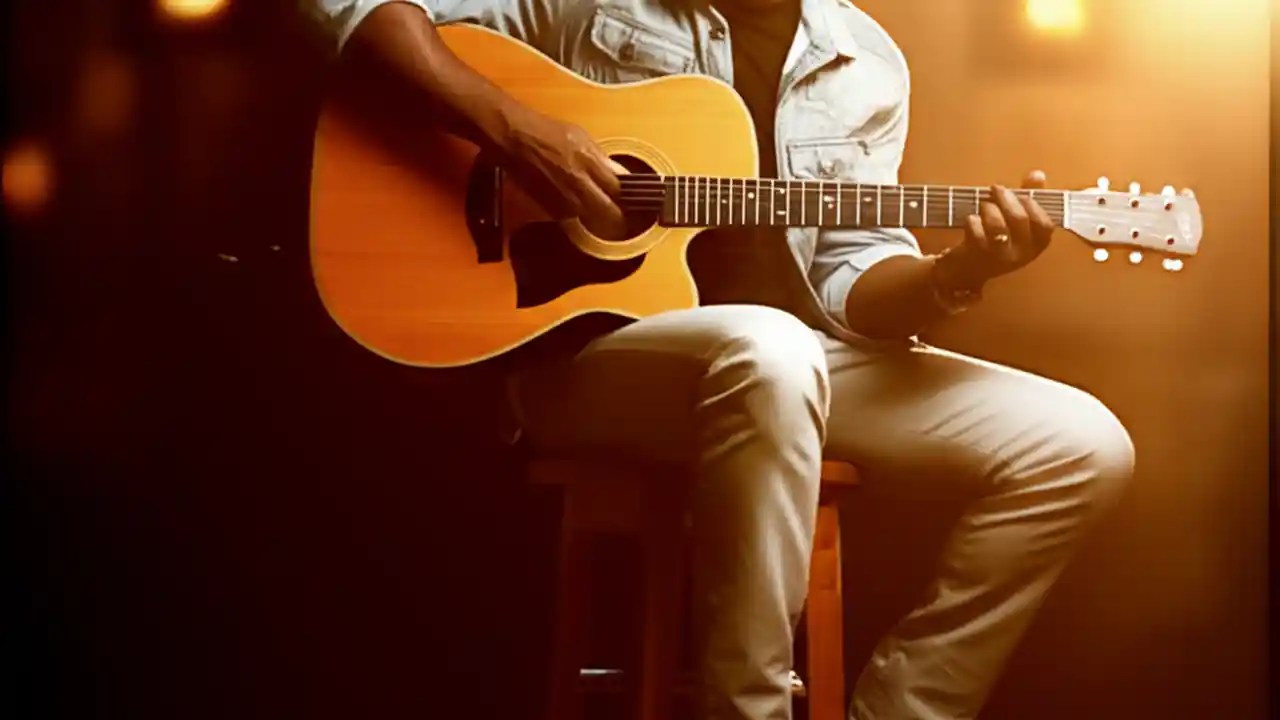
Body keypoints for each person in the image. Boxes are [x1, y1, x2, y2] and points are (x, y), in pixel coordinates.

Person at [305, 2, 1137, 719]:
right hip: (587, 357)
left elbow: (851, 276)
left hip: (790, 371)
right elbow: (354, 12)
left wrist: (959, 272)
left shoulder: (863, 59)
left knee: (1081, 445)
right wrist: (517, 131)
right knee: (771, 350)